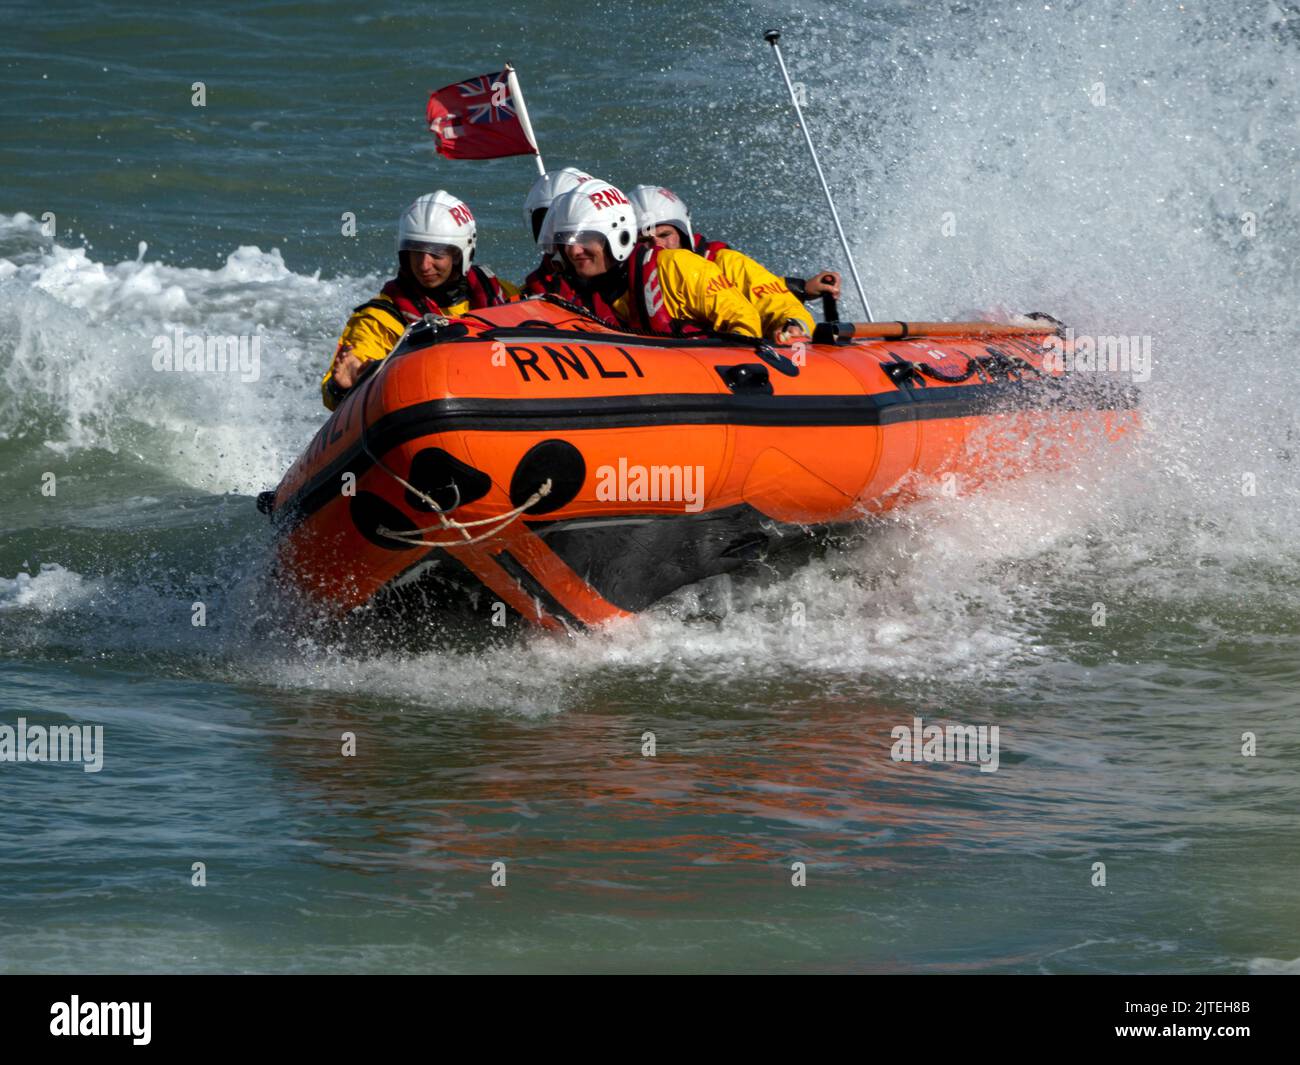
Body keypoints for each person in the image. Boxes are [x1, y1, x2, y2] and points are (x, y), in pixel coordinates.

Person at [321, 191, 518, 410]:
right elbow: (333, 393)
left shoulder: (501, 293)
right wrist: (342, 387)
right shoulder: (380, 318)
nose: (424, 265)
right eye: (416, 252)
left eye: (436, 254)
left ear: (460, 254)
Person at [535, 180, 763, 339]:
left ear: (618, 236)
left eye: (585, 239)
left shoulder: (675, 267)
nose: (575, 251)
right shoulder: (567, 293)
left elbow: (744, 321)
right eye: (566, 240)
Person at [627, 184, 841, 337]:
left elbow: (779, 304)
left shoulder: (726, 263)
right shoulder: (625, 282)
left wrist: (793, 326)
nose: (658, 247)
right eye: (645, 240)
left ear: (684, 233)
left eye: (665, 235)